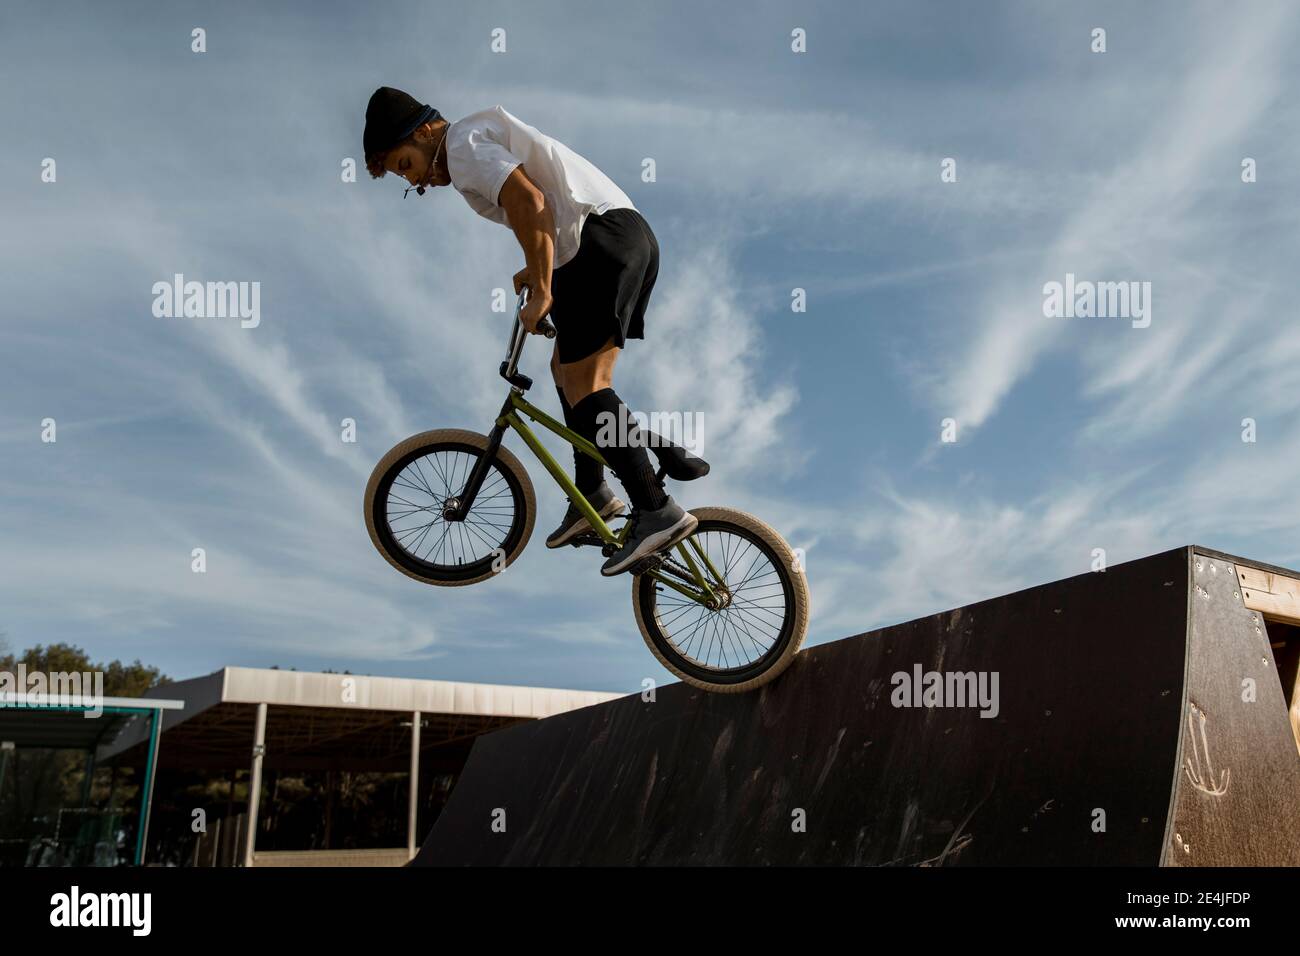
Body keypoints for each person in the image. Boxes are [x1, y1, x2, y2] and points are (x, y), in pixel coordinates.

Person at [362, 87, 698, 576]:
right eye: (407, 179)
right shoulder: (472, 141)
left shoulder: (460, 145)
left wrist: (543, 287)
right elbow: (537, 209)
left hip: (598, 243)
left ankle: (656, 508)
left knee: (587, 385)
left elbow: (529, 201)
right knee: (567, 372)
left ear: (424, 132)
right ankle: (595, 493)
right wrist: (534, 267)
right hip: (622, 237)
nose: (418, 182)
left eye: (406, 164)